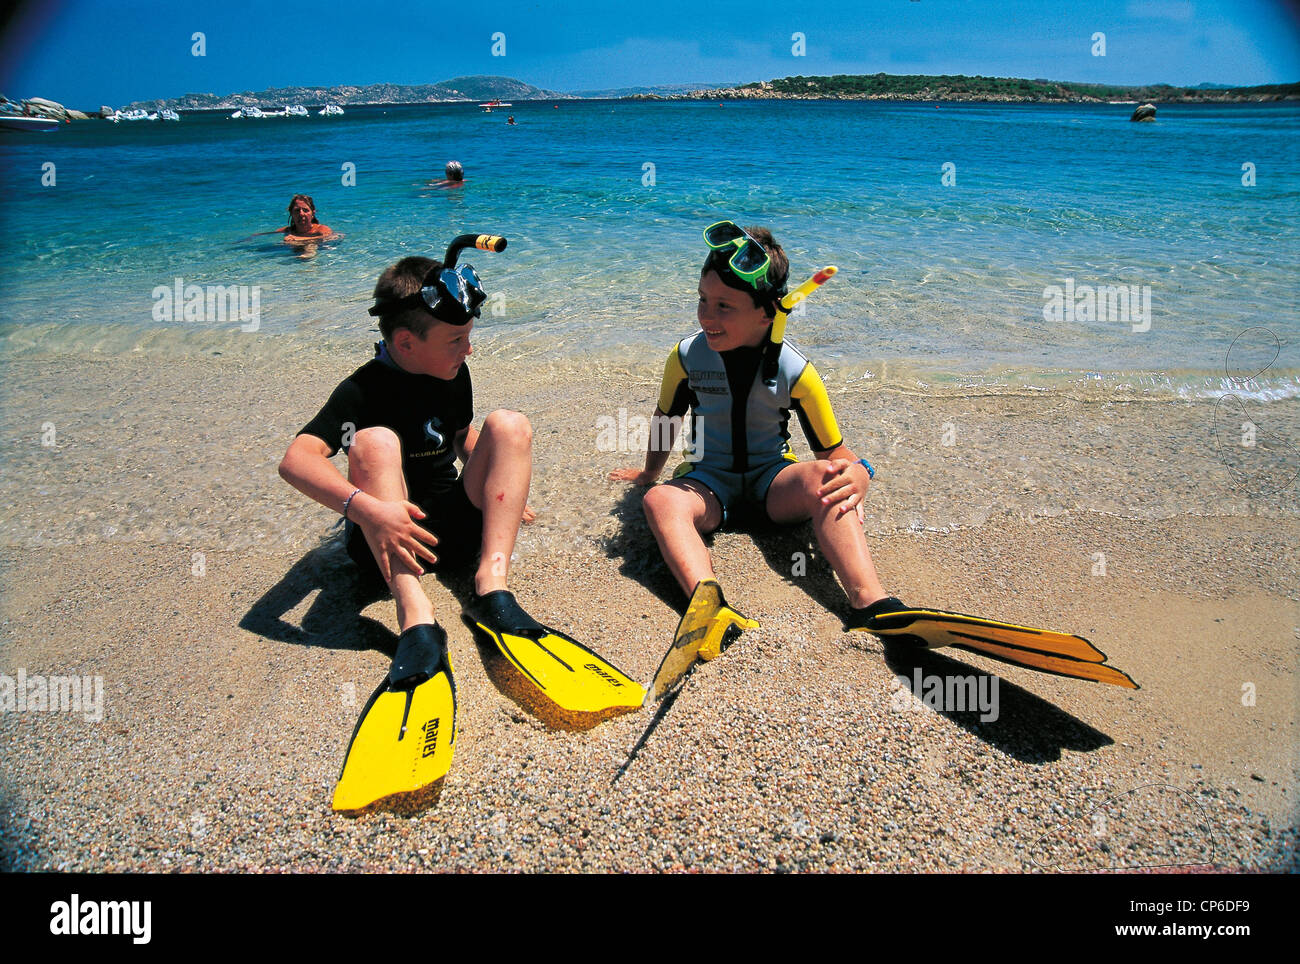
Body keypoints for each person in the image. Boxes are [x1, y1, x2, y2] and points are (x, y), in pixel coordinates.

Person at [610, 221, 901, 632]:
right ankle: (708, 606)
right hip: (708, 484)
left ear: (768, 314)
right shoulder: (688, 357)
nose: (706, 316)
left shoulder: (795, 370)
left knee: (830, 477)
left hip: (774, 484)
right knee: (659, 501)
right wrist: (649, 474)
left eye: (724, 306)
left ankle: (871, 602)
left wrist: (860, 472)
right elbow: (666, 419)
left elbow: (832, 451)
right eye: (702, 300)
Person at [278, 247, 544, 650]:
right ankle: (413, 610)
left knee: (510, 424)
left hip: (453, 533)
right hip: (383, 544)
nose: (468, 349)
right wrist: (370, 511)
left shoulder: (454, 373)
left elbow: (459, 437)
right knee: (373, 440)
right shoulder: (362, 390)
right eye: (457, 339)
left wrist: (501, 493)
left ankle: (492, 584)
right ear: (405, 343)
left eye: (469, 337)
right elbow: (295, 461)